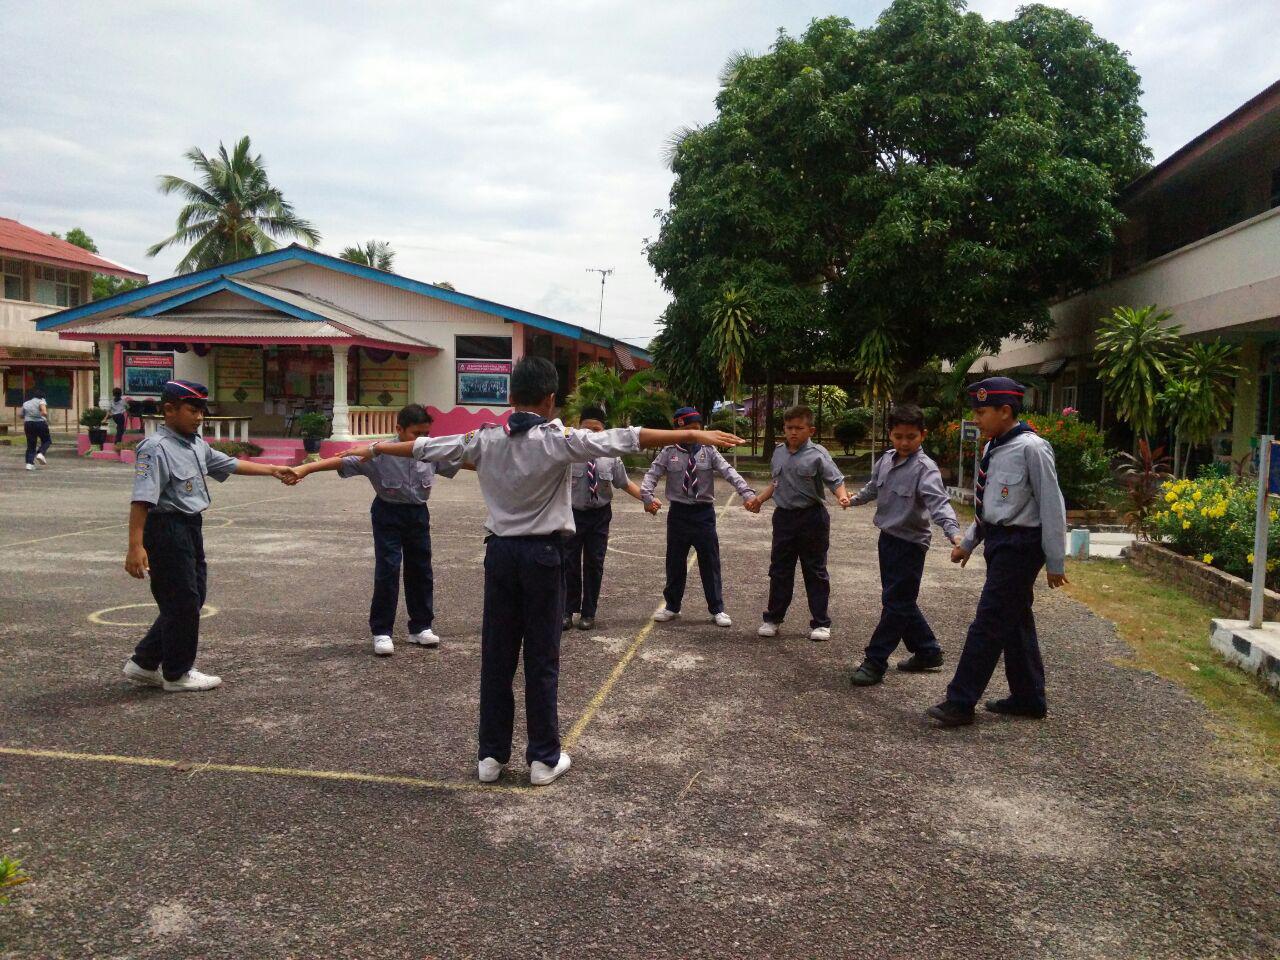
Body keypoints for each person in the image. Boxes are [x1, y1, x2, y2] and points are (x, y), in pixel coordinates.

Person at [342, 357, 744, 786]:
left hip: (499, 556)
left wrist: (379, 448)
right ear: (551, 400)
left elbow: (426, 447)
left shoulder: (485, 439)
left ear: (511, 396)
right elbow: (624, 438)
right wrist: (690, 432)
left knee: (497, 656)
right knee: (541, 658)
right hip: (543, 558)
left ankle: (491, 757)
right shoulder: (558, 440)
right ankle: (543, 759)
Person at [122, 380, 298, 692]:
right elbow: (142, 500)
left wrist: (271, 469)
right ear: (169, 410)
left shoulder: (194, 444)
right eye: (192, 410)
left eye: (202, 410)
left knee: (191, 597)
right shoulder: (155, 448)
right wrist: (135, 547)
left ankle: (145, 661)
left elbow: (228, 463)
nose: (199, 416)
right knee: (183, 601)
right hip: (166, 529)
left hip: (190, 527)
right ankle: (177, 674)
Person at [927, 377, 1067, 728]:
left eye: (981, 411)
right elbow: (988, 505)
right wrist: (970, 543)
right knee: (1015, 620)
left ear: (1005, 411)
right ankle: (1028, 697)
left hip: (1022, 545)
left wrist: (1055, 559)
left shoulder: (1033, 448)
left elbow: (1052, 506)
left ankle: (960, 702)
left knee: (988, 622)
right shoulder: (993, 448)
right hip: (999, 542)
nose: (976, 418)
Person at [290, 403, 459, 656]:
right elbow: (340, 461)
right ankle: (382, 632)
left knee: (421, 569)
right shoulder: (377, 453)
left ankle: (421, 627)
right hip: (387, 513)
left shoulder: (429, 451)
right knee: (388, 569)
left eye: (426, 434)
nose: (422, 439)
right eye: (416, 434)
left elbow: (461, 462)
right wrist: (304, 468)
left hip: (417, 514)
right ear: (399, 429)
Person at [847, 403, 961, 686]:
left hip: (911, 545)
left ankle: (875, 661)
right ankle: (927, 650)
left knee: (896, 603)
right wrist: (853, 500)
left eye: (911, 436)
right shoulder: (886, 459)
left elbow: (939, 504)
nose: (904, 442)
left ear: (923, 435)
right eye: (898, 436)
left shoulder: (926, 469)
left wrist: (955, 534)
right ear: (890, 435)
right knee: (899, 600)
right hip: (888, 539)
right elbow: (873, 487)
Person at [641, 406, 756, 628]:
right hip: (679, 514)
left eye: (698, 428)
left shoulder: (709, 450)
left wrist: (747, 493)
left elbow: (729, 472)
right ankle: (672, 606)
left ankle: (717, 608)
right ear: (678, 429)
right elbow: (652, 474)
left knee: (709, 561)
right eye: (690, 429)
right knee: (675, 561)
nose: (695, 434)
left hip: (703, 514)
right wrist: (647, 497)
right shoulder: (668, 452)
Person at [745, 405, 850, 641]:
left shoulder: (818, 454)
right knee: (780, 570)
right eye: (789, 427)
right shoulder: (779, 452)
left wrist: (841, 496)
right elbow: (777, 482)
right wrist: (759, 499)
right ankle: (773, 618)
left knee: (815, 571)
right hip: (784, 518)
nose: (793, 432)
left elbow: (836, 480)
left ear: (810, 430)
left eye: (799, 428)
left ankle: (821, 623)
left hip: (811, 518)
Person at [562, 405, 659, 632]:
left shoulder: (611, 456)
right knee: (569, 563)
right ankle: (567, 611)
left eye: (597, 430)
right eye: (587, 429)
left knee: (594, 564)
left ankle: (589, 613)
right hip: (572, 515)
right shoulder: (568, 454)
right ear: (579, 428)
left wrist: (646, 500)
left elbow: (624, 483)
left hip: (599, 516)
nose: (592, 435)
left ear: (604, 431)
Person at [21, 389, 51, 471]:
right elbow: (44, 412)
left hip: (28, 424)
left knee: (31, 444)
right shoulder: (41, 401)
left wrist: (29, 415)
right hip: (39, 423)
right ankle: (40, 453)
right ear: (42, 397)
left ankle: (29, 464)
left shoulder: (26, 403)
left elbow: (21, 415)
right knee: (47, 440)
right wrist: (40, 415)